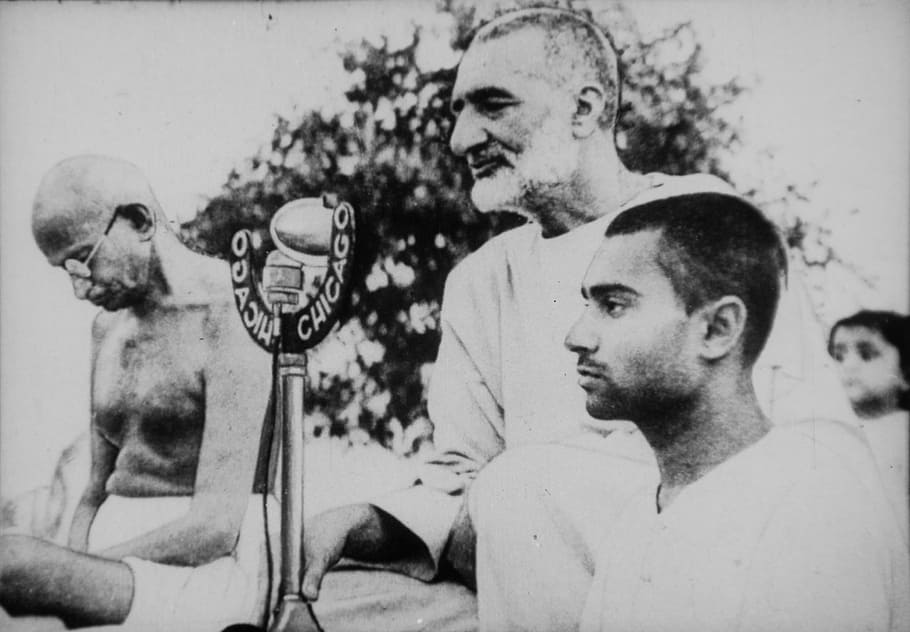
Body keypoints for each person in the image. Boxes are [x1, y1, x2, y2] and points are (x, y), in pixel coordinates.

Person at [300, 7, 855, 631]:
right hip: (530, 560)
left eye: (492, 104)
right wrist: (364, 522)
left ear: (584, 109)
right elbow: (459, 479)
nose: (461, 139)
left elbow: (789, 439)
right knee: (310, 582)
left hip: (721, 552)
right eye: (457, 111)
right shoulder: (482, 280)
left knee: (520, 491)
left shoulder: (702, 216)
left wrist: (541, 493)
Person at [543, 192, 906, 631]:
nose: (576, 336)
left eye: (614, 306)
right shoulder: (639, 516)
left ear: (718, 329)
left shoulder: (814, 515)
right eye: (587, 305)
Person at [0, 155, 274, 631]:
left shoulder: (233, 315)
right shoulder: (106, 329)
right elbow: (93, 491)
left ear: (140, 220)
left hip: (202, 571)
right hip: (111, 568)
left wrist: (75, 575)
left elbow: (216, 526)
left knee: (11, 565)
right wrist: (75, 571)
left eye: (82, 260)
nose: (79, 290)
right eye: (65, 271)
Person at [829, 310, 910, 539]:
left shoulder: (901, 433)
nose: (848, 366)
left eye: (866, 354)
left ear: (906, 374)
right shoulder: (836, 433)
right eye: (838, 356)